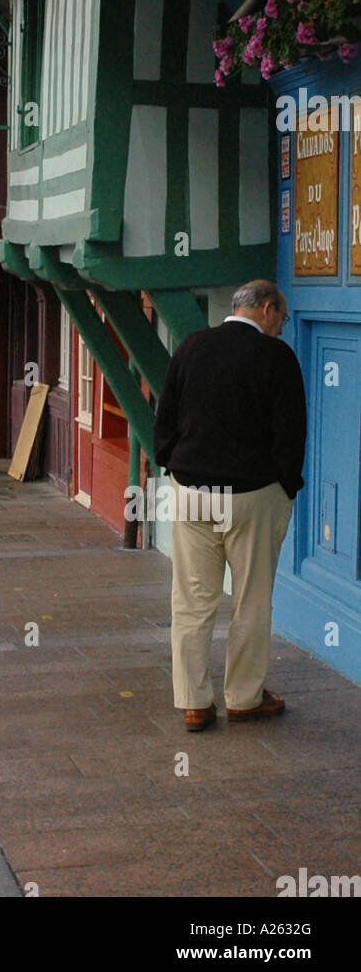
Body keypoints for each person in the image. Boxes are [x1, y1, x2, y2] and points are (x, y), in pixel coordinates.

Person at [154, 279, 307, 734]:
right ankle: (243, 698)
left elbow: (165, 417)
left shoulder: (192, 347)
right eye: (281, 316)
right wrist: (286, 485)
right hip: (254, 494)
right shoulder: (277, 358)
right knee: (251, 600)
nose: (282, 325)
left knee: (192, 600)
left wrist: (172, 463)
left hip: (195, 492)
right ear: (264, 308)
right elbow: (291, 431)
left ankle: (194, 704)